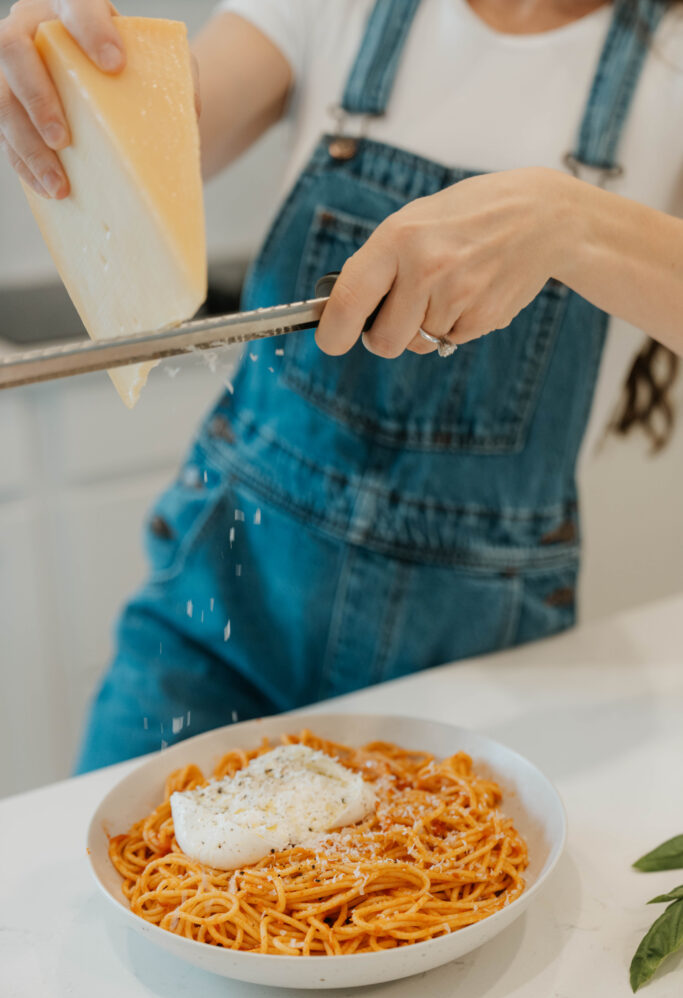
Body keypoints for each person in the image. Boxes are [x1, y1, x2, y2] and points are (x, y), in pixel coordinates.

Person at [1, 0, 681, 771]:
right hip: (218, 623)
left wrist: (566, 221)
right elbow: (158, 134)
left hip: (471, 670)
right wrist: (73, 79)